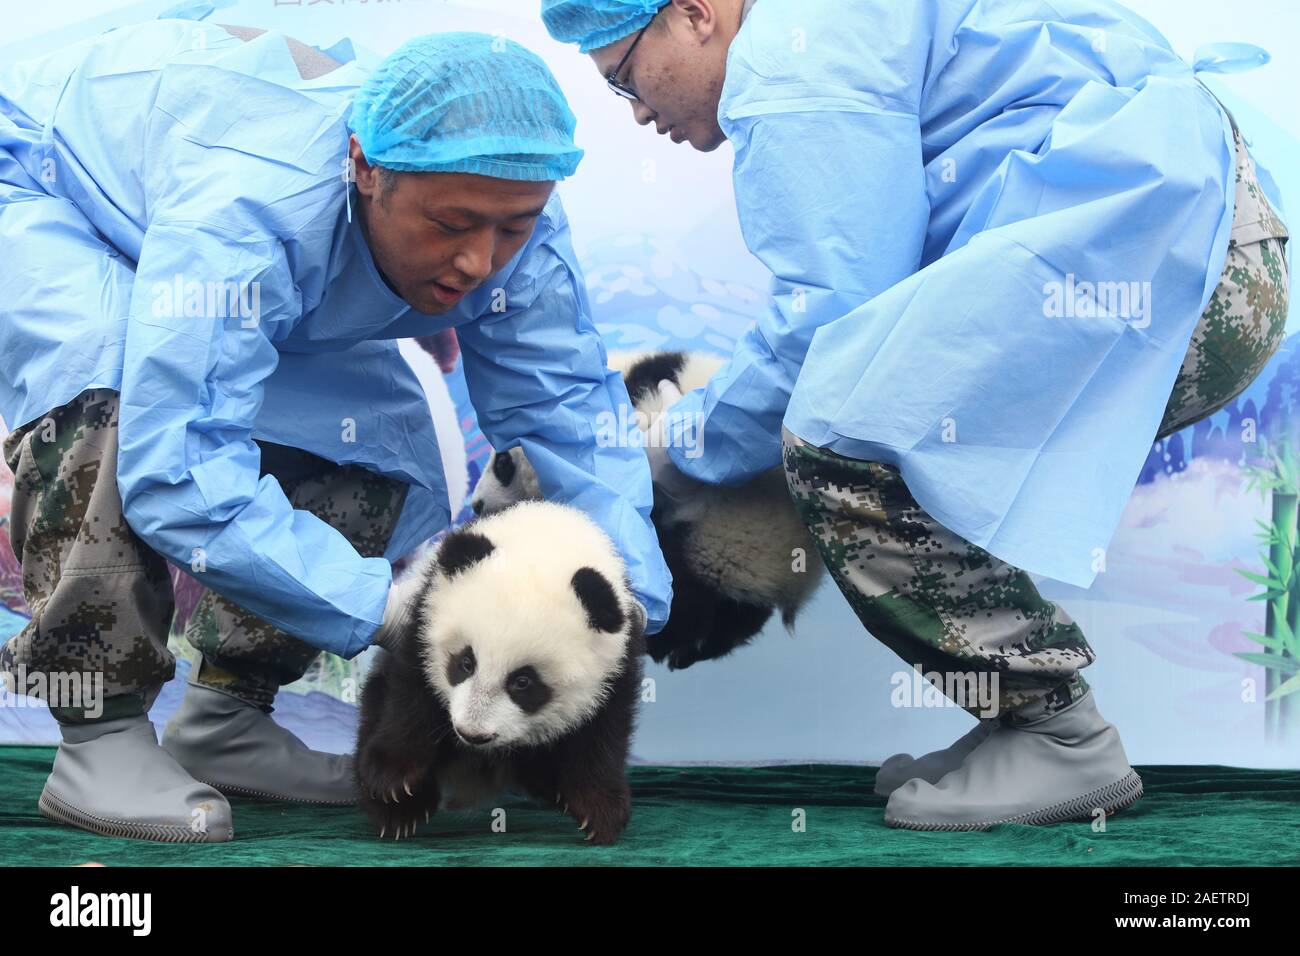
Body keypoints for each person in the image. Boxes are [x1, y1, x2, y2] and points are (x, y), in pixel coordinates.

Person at [541, 0, 1291, 828]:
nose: (641, 111)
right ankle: (1017, 722)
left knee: (843, 439)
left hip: (1169, 271)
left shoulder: (791, 62)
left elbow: (826, 323)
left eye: (623, 81)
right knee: (898, 420)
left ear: (693, 13)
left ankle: (1055, 733)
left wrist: (677, 446)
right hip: (1212, 250)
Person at [0, 21, 671, 842]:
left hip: (198, 223)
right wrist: (389, 607)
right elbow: (175, 470)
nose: (480, 263)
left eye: (514, 228)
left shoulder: (506, 201)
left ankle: (226, 717)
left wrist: (630, 593)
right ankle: (96, 732)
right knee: (116, 398)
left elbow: (566, 406)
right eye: (452, 224)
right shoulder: (252, 207)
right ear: (365, 169)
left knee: (375, 443)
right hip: (42, 186)